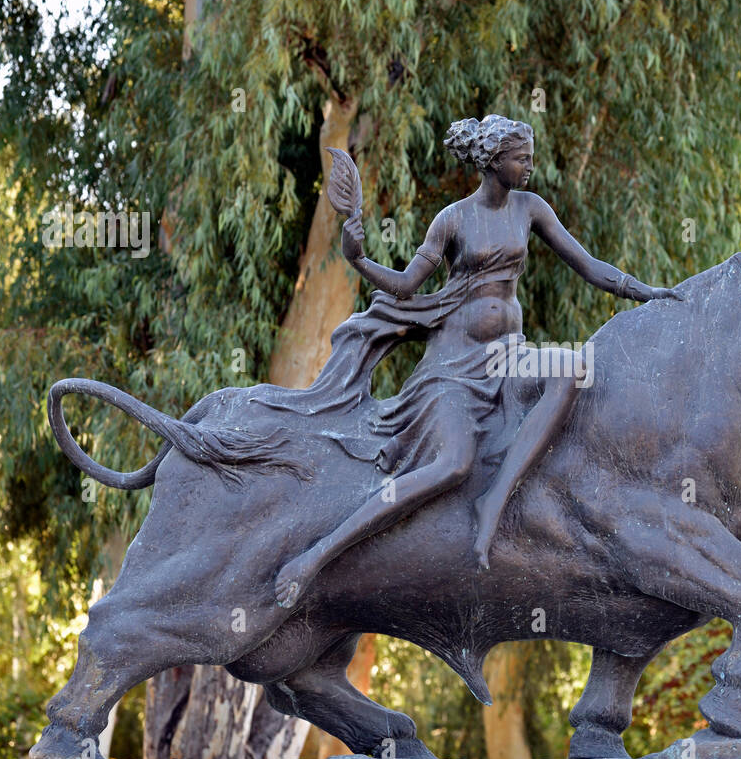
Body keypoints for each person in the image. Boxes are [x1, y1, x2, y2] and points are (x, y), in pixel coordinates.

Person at [273, 115, 676, 608]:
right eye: (521, 158)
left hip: (511, 356)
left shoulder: (531, 208)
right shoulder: (453, 219)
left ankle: (495, 501)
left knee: (571, 370)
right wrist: (357, 259)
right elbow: (405, 285)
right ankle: (318, 554)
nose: (529, 167)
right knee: (452, 465)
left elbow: (588, 265)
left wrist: (645, 292)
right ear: (493, 161)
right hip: (456, 368)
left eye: (529, 157)